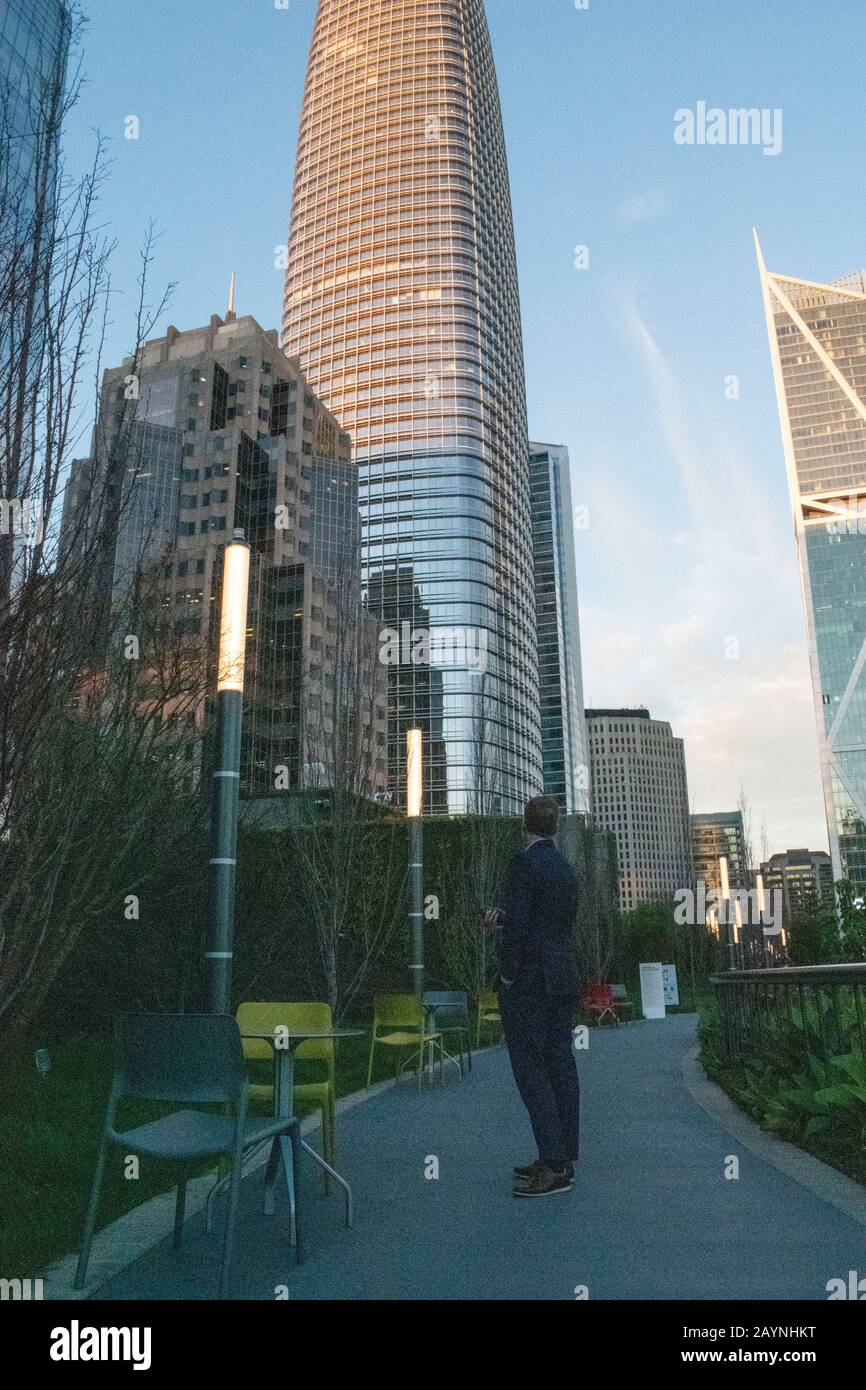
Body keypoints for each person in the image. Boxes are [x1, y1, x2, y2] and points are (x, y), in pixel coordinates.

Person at [484, 796, 581, 1197]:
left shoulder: (523, 864)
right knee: (560, 1067)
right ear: (554, 827)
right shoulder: (564, 868)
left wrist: (506, 977)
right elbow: (552, 925)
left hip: (529, 984)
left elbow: (522, 932)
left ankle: (553, 1165)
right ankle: (561, 1157)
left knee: (531, 1072)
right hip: (560, 978)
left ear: (524, 824)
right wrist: (508, 921)